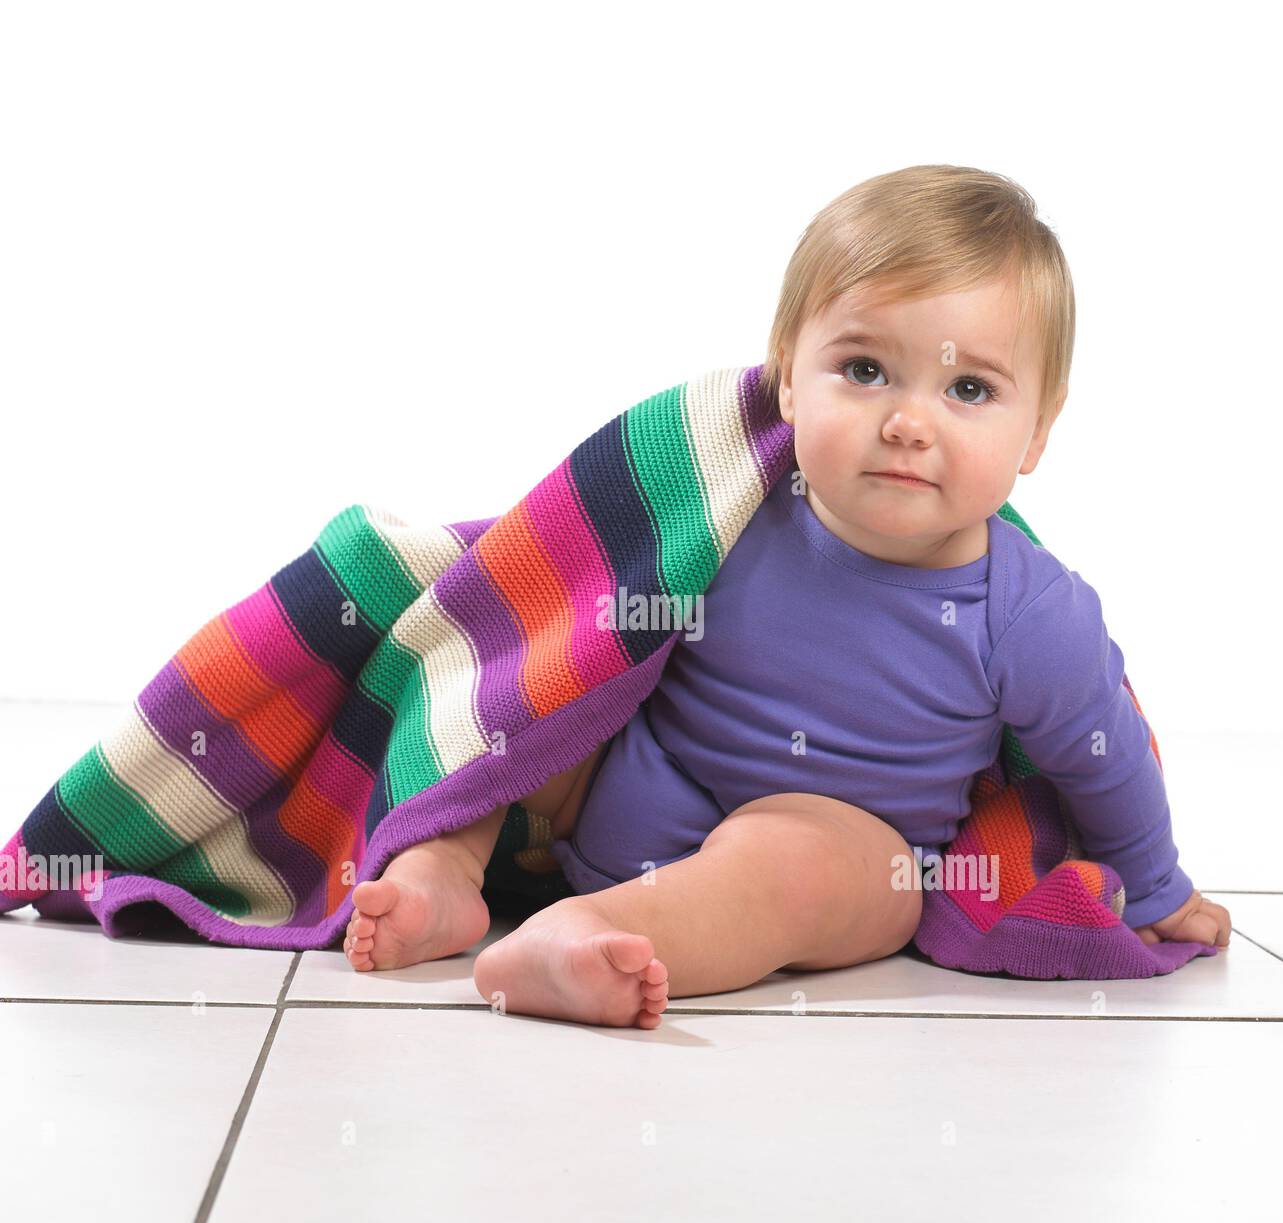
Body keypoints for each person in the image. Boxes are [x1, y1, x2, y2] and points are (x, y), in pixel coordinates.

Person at [342, 163, 1232, 1028]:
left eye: (968, 388)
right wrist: (556, 660)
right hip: (630, 779)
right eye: (865, 369)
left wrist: (1156, 886)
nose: (908, 421)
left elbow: (1103, 759)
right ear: (787, 380)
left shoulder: (1031, 614)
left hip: (848, 842)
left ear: (1037, 431)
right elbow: (571, 591)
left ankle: (601, 932)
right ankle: (443, 869)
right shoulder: (727, 505)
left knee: (795, 864)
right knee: (529, 693)